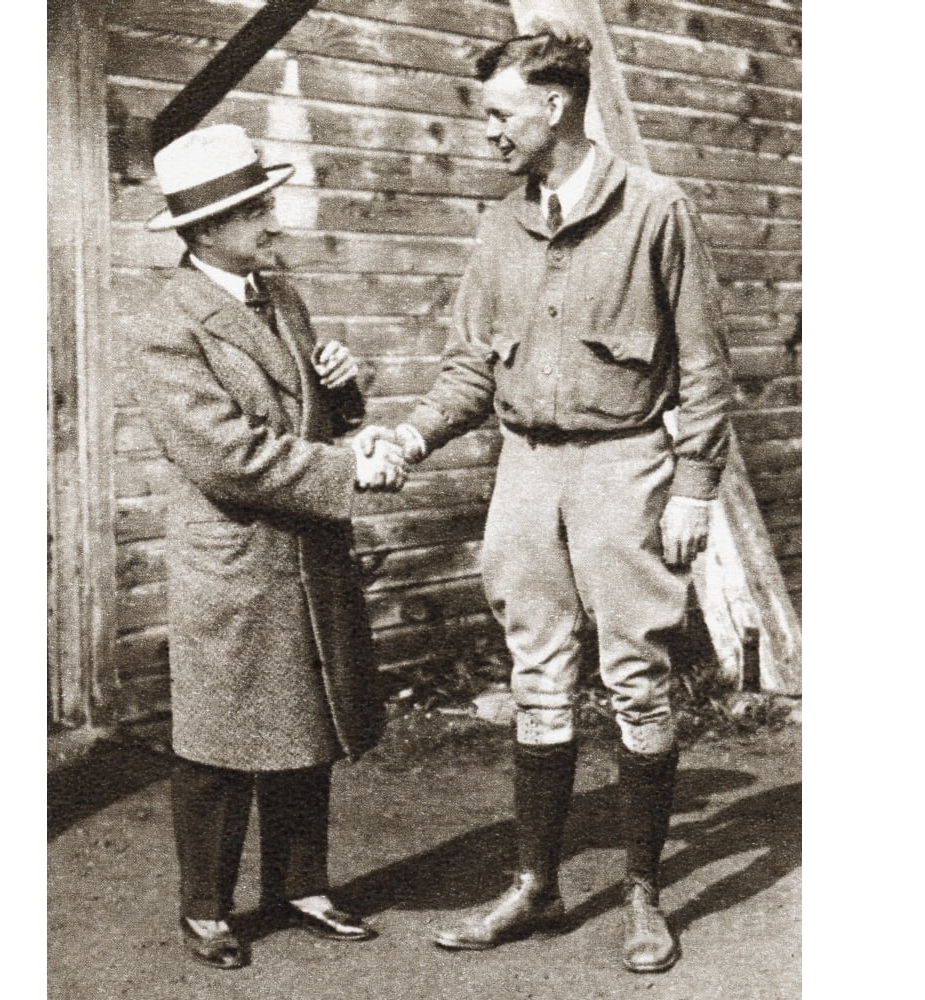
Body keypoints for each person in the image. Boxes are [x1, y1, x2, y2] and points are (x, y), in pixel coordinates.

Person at [373, 33, 733, 973]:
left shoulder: (657, 209)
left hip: (627, 467)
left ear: (557, 107)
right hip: (526, 468)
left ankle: (645, 895)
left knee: (635, 677)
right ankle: (537, 886)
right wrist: (410, 437)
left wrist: (695, 486)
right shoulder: (501, 226)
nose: (488, 131)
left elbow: (703, 369)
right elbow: (467, 366)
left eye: (500, 113)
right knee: (537, 675)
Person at [130, 123, 405, 970]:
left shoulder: (278, 294)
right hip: (237, 558)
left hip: (306, 547)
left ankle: (301, 883)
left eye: (266, 203)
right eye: (254, 210)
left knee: (304, 721)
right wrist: (349, 467)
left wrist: (347, 394)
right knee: (219, 739)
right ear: (204, 226)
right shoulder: (167, 324)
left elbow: (313, 417)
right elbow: (227, 457)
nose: (272, 222)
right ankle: (206, 907)